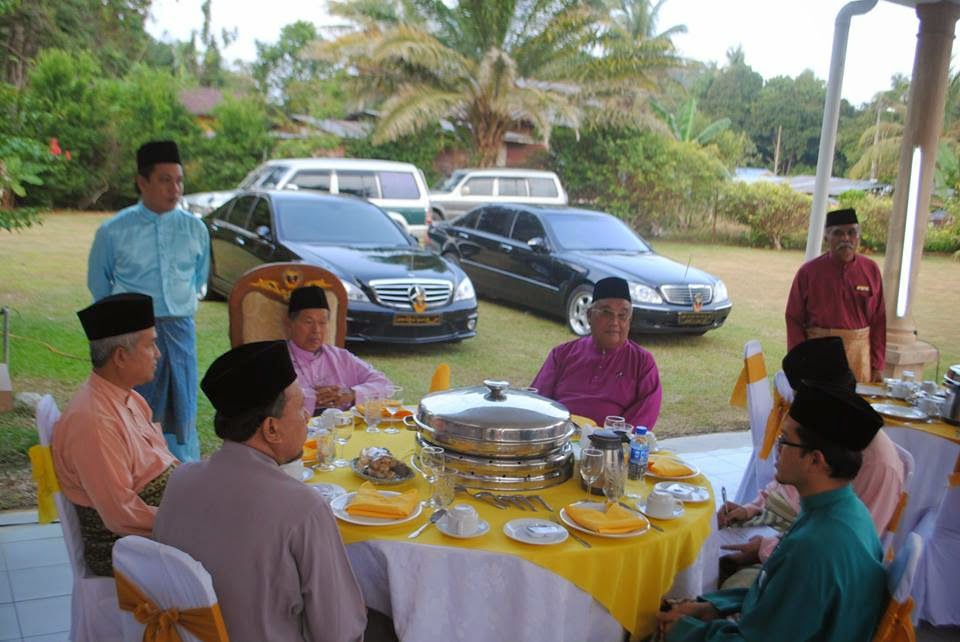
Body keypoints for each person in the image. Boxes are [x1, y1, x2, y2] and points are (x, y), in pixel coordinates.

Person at [154, 341, 366, 642]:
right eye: (298, 408)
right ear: (271, 429)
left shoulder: (180, 480)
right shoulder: (304, 510)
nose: (307, 417)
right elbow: (340, 631)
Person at [658, 381, 887, 642]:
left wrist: (685, 631)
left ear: (815, 460)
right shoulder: (843, 509)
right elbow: (779, 598)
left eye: (784, 441)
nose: (776, 450)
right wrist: (711, 607)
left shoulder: (815, 547)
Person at [715, 337, 904, 584]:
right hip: (783, 536)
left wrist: (766, 550)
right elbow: (783, 489)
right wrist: (749, 509)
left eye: (799, 397)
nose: (794, 407)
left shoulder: (879, 466)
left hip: (804, 565)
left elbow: (847, 552)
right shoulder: (819, 435)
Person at [87, 140, 209, 462]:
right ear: (142, 182)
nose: (175, 189)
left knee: (182, 411)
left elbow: (198, 278)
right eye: (165, 180)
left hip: (180, 332)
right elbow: (99, 285)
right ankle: (138, 472)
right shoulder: (113, 231)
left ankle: (182, 475)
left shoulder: (195, 229)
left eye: (179, 180)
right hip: (132, 335)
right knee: (135, 408)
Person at [52, 293, 179, 576]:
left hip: (156, 526)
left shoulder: (130, 398)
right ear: (121, 356)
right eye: (151, 345)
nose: (158, 354)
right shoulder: (93, 423)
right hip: (125, 548)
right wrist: (185, 521)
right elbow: (121, 515)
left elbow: (161, 461)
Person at [531, 277, 662, 430]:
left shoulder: (642, 362)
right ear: (589, 315)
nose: (615, 322)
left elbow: (643, 418)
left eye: (622, 315)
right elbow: (537, 403)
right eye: (606, 313)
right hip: (561, 439)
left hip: (610, 447)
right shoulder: (561, 354)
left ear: (629, 320)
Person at [785, 208, 886, 383]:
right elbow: (793, 318)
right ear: (827, 238)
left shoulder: (871, 270)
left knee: (857, 407)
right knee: (822, 405)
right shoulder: (809, 272)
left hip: (859, 356)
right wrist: (800, 361)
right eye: (838, 233)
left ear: (858, 237)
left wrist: (877, 364)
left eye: (851, 233)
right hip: (819, 354)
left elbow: (879, 320)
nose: (845, 238)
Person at [285, 285, 393, 415]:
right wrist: (312, 397)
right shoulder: (273, 357)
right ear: (290, 323)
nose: (316, 330)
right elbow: (265, 399)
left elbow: (386, 385)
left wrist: (352, 393)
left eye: (323, 322)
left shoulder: (341, 357)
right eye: (309, 322)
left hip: (342, 431)